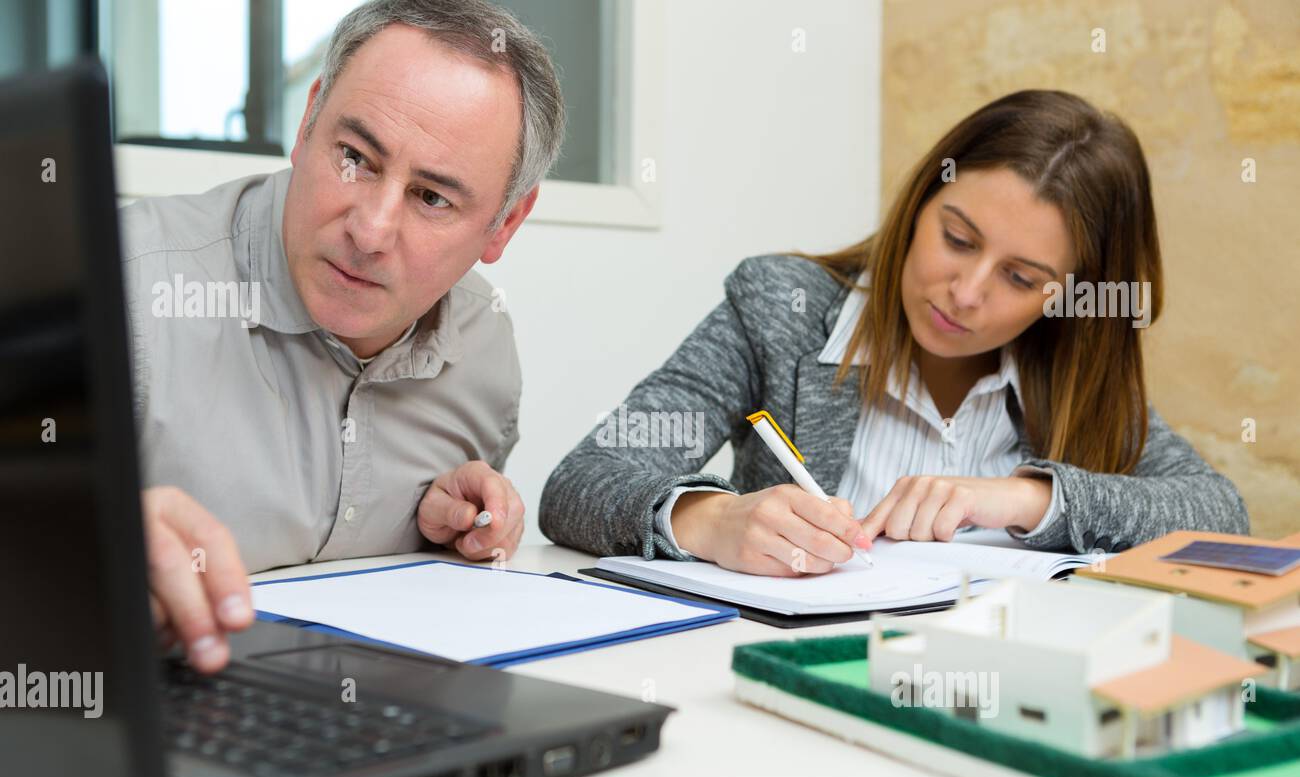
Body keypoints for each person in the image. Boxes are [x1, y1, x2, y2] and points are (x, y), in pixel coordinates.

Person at [540, 90, 1249, 577]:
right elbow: (580, 483)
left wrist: (1026, 498)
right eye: (958, 238)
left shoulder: (1070, 375)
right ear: (919, 205)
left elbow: (1221, 519)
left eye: (1020, 278)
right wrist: (711, 520)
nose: (966, 293)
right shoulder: (780, 310)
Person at [123, 0, 564, 671]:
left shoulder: (484, 341)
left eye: (432, 198)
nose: (371, 230)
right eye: (355, 158)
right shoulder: (122, 286)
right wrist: (74, 541)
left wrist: (453, 540)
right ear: (308, 123)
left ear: (504, 224)